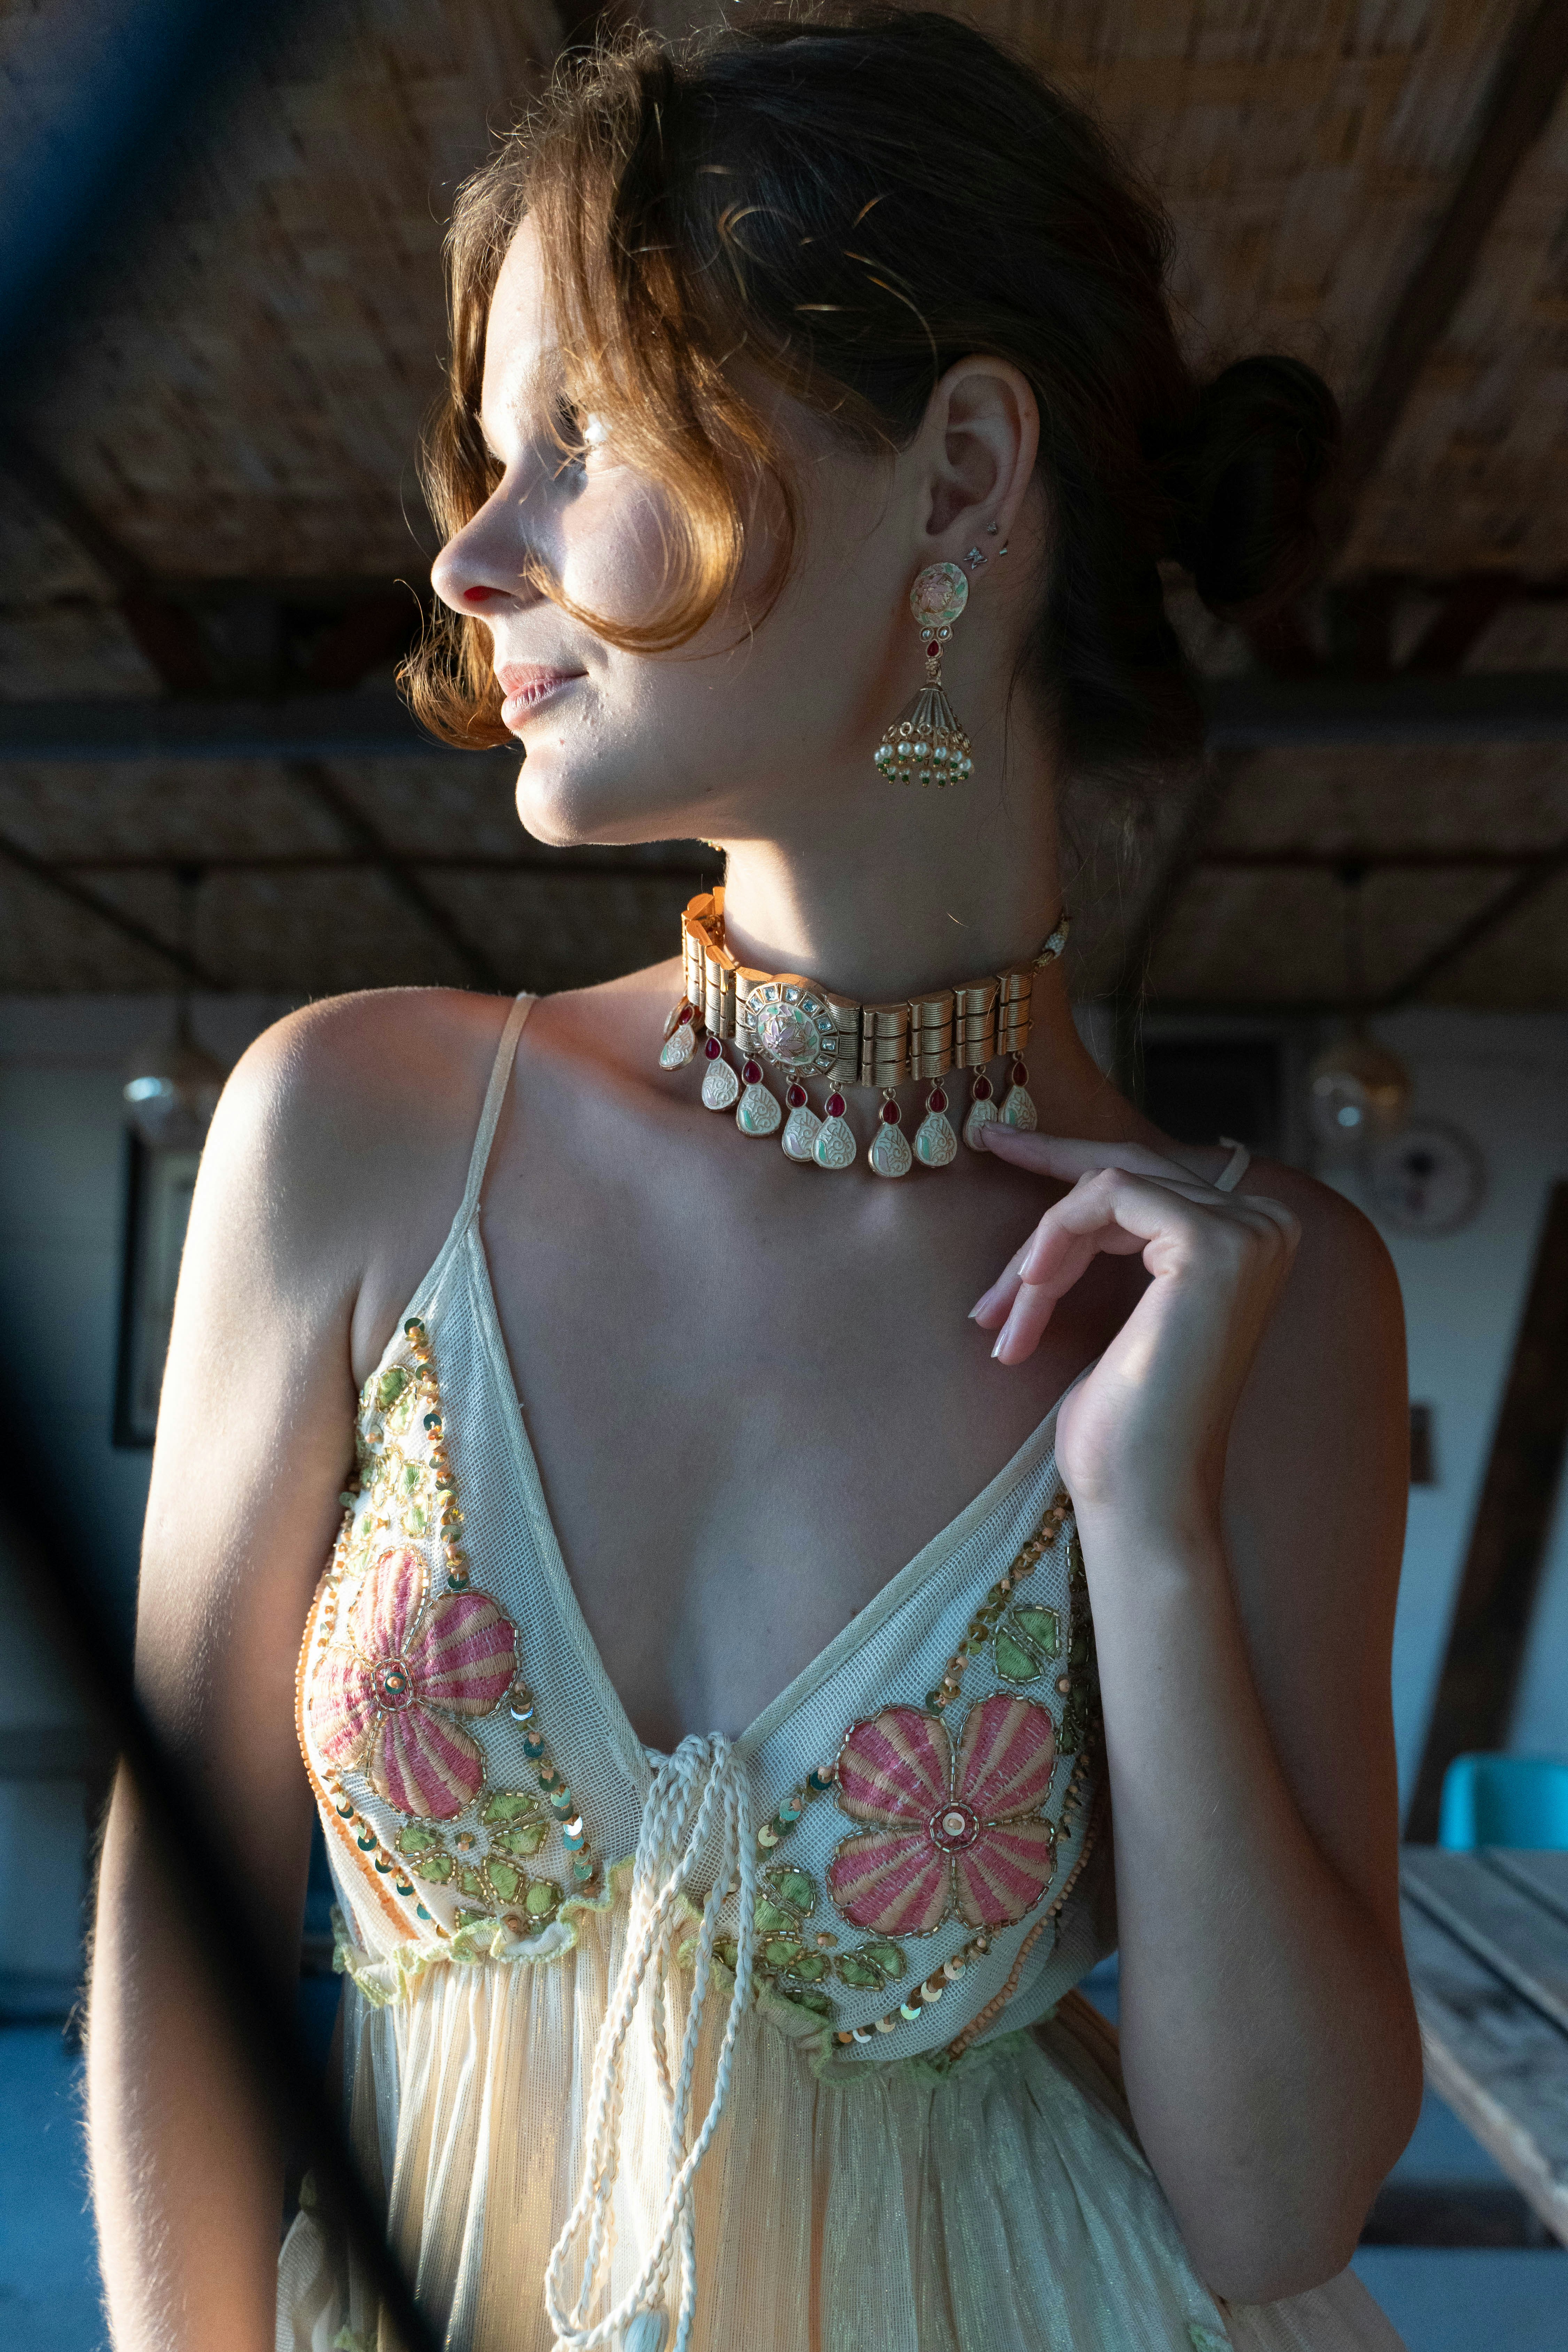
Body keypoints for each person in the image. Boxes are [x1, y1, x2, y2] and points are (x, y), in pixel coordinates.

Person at [87, 11, 1421, 2349]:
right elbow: (177, 1930)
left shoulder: (1271, 1302)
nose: (466, 552)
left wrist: (1150, 1525)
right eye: (489, 457)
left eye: (575, 438)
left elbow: (1270, 2208)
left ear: (960, 472)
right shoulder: (360, 1133)